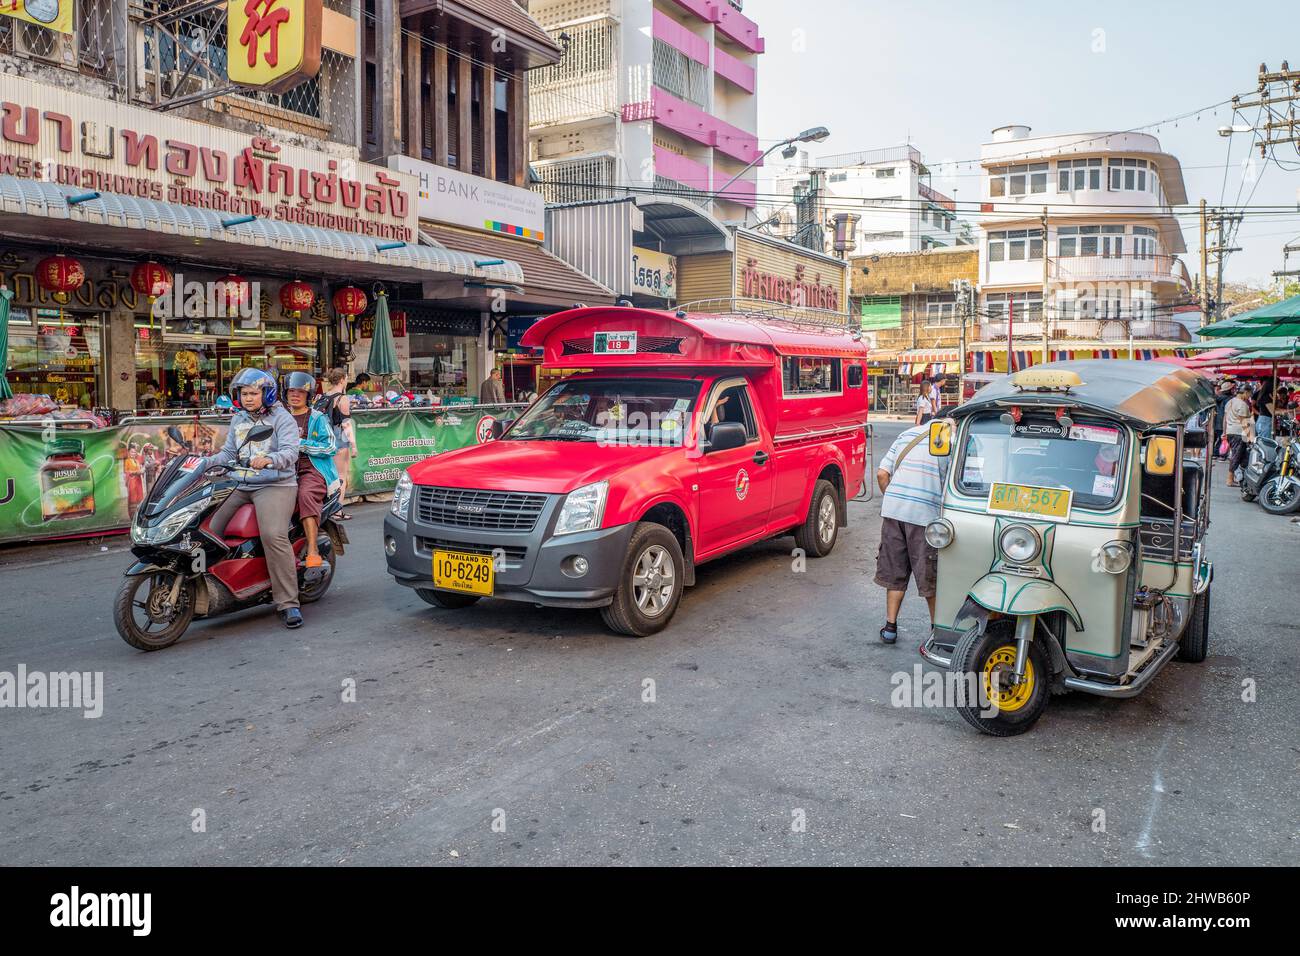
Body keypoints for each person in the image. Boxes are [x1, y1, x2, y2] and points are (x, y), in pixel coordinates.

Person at [202, 368, 304, 628]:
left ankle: (288, 603)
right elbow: (227, 454)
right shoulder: (239, 419)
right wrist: (200, 463)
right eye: (244, 393)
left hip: (276, 485)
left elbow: (291, 452)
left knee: (273, 535)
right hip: (241, 483)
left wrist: (270, 459)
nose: (248, 398)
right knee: (208, 528)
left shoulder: (282, 418)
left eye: (253, 393)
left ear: (266, 394)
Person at [875, 421, 948, 644]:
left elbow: (881, 474)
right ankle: (937, 631)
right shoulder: (948, 439)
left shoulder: (907, 434)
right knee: (929, 575)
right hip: (924, 514)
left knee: (895, 571)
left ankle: (890, 628)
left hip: (893, 512)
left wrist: (896, 499)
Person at [284, 372, 337, 572]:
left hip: (311, 469)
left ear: (309, 395)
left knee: (305, 494)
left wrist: (301, 444)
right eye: (291, 391)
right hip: (283, 469)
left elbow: (331, 447)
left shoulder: (317, 418)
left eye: (300, 392)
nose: (295, 395)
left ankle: (313, 550)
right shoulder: (280, 417)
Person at [316, 368, 355, 519]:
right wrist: (354, 445)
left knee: (327, 476)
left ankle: (325, 508)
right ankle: (337, 511)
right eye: (346, 378)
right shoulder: (342, 398)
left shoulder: (323, 396)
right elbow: (346, 424)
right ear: (341, 380)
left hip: (324, 439)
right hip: (339, 439)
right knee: (341, 476)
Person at [1223, 383, 1253, 486]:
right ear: (1245, 392)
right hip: (1239, 433)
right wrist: (1250, 436)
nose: (1249, 396)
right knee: (1236, 455)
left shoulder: (1230, 402)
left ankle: (1239, 478)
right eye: (1249, 394)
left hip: (1230, 432)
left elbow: (1225, 419)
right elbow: (1244, 422)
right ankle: (1229, 479)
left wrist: (1224, 432)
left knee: (1240, 456)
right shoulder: (1242, 404)